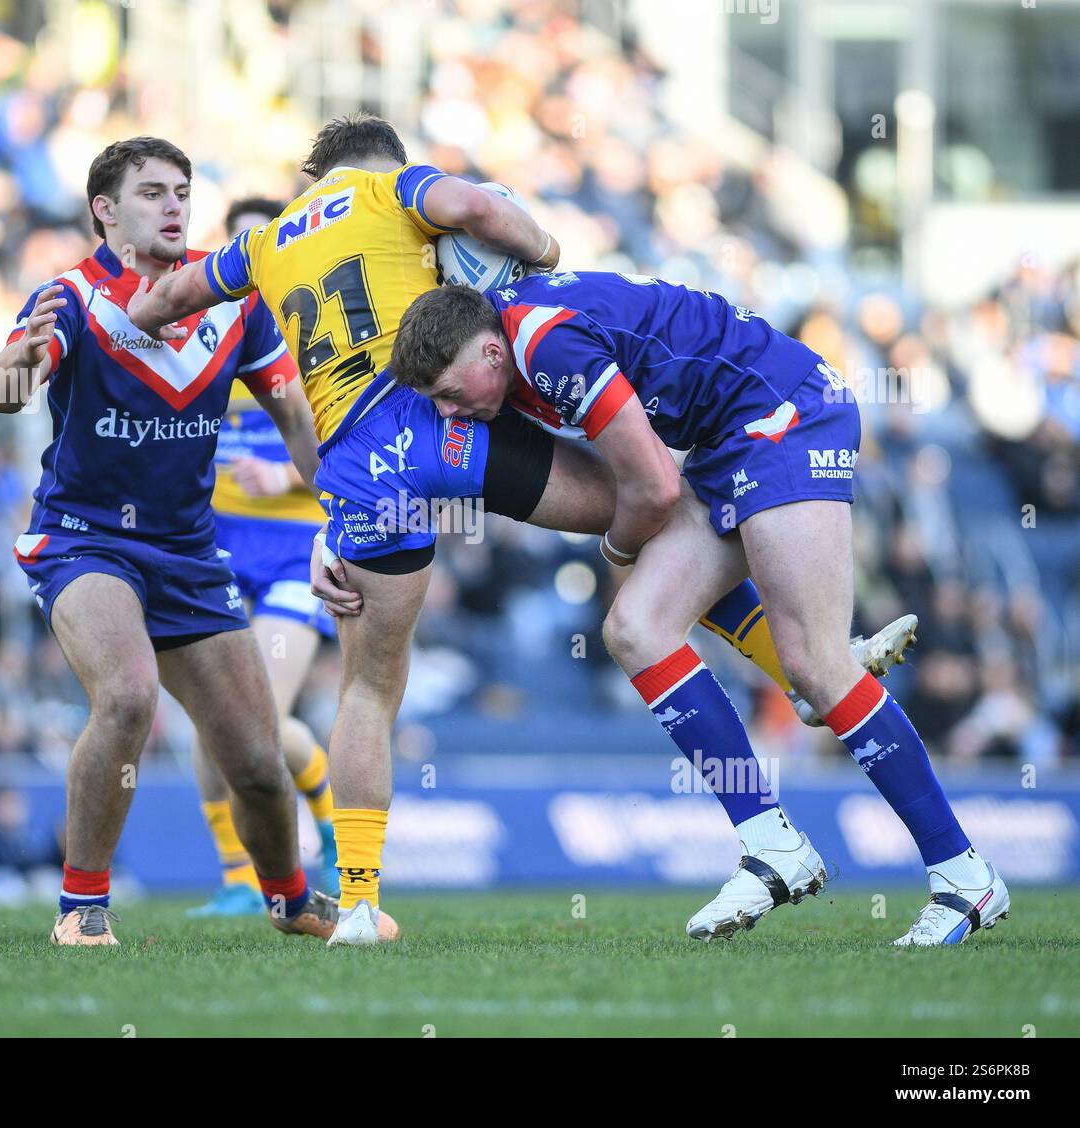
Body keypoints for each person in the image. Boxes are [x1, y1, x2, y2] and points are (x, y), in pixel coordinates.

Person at [126, 113, 914, 946]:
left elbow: (167, 300)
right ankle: (809, 659)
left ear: (309, 178)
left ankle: (358, 903)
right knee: (657, 510)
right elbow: (476, 207)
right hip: (443, 414)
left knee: (368, 687)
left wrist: (131, 318)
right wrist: (544, 253)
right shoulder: (393, 188)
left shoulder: (262, 244)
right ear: (381, 163)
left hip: (362, 465)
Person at [387, 274, 1009, 947]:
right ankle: (773, 845)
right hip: (726, 439)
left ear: (487, 354)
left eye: (449, 394)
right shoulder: (508, 342)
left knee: (818, 665)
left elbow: (653, 489)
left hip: (784, 414)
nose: (448, 413)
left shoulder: (543, 344)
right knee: (636, 629)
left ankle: (962, 875)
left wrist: (616, 550)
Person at [0, 136, 349, 945]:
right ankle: (81, 910)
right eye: (152, 192)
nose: (175, 205)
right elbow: (7, 391)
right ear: (104, 211)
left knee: (255, 759)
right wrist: (5, 364)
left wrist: (344, 518)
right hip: (85, 541)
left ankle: (289, 901)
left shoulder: (234, 299)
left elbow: (296, 420)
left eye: (182, 190)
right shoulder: (74, 298)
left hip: (189, 551)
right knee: (126, 697)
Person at [189, 197, 341, 916]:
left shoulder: (316, 332)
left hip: (294, 547)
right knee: (208, 718)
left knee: (260, 720)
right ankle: (234, 878)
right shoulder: (208, 332)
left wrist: (287, 474)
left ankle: (334, 830)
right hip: (212, 544)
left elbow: (348, 437)